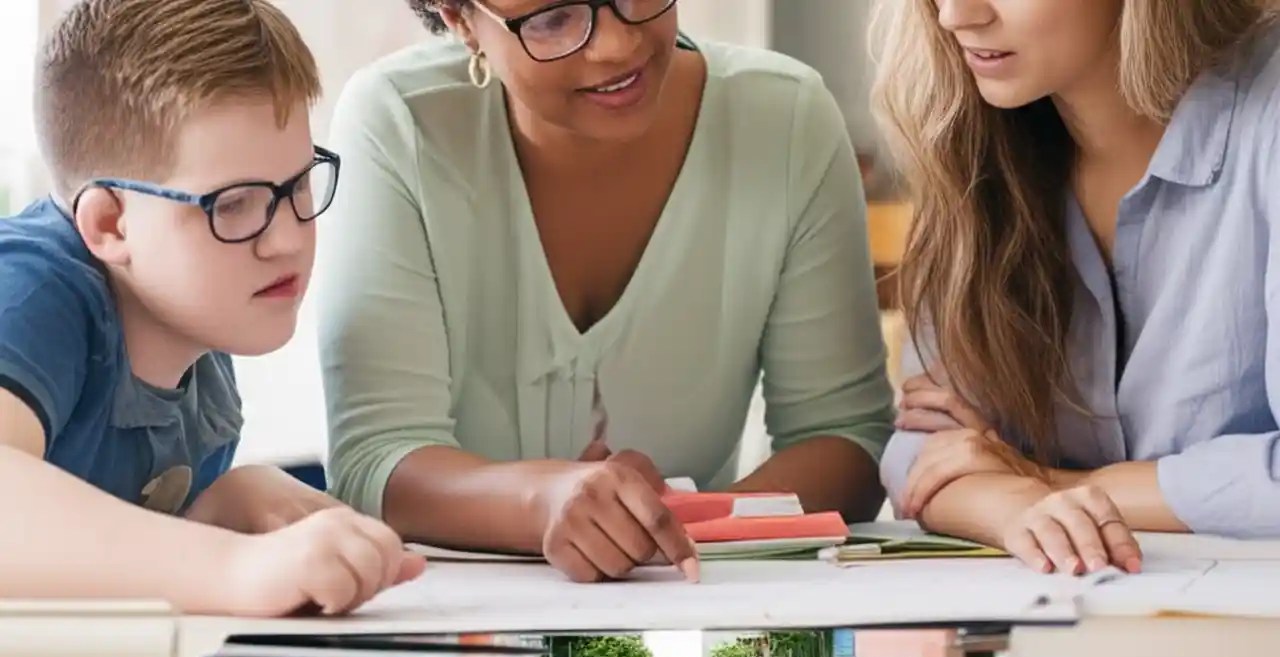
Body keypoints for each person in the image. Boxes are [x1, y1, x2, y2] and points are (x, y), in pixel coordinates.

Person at [317, 0, 895, 583]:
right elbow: (375, 460)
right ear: (461, 20)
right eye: (552, 19)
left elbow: (848, 438)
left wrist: (679, 525)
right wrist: (541, 500)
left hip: (696, 603)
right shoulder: (396, 123)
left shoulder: (786, 120)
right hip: (453, 626)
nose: (618, 45)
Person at [0, 0, 424, 617]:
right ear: (111, 223)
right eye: (232, 205)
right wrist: (230, 566)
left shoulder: (198, 329)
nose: (287, 239)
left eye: (298, 185)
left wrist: (217, 507)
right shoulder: (33, 287)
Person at [872, 0, 1280, 575]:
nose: (956, 16)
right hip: (1063, 630)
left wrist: (1052, 482)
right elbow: (927, 452)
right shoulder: (973, 144)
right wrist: (1012, 506)